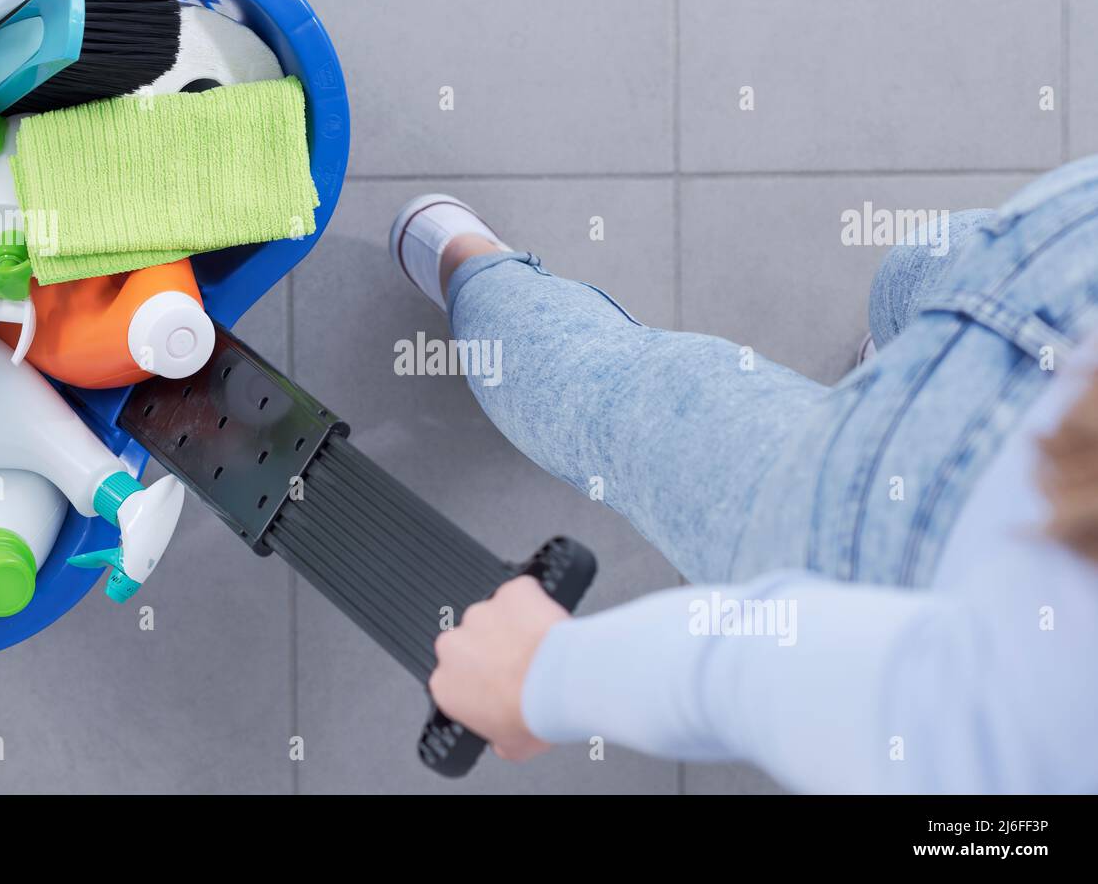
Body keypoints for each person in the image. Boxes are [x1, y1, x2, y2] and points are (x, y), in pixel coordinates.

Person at [387, 157, 1098, 792]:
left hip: (1062, 261)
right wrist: (542, 679)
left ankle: (903, 373)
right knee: (617, 403)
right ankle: (471, 267)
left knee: (919, 274)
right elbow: (850, 685)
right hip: (896, 548)